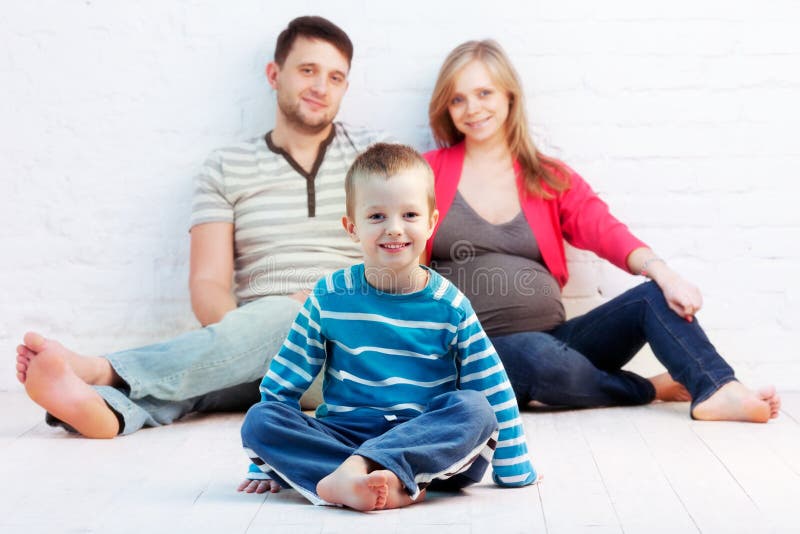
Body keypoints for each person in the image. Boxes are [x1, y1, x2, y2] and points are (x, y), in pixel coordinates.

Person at [14, 16, 387, 465]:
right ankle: (105, 413)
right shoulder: (225, 167)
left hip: (348, 354)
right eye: (308, 70)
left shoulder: (375, 156)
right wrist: (243, 345)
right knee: (212, 370)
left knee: (293, 312)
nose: (321, 86)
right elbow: (208, 284)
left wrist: (312, 308)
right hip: (264, 352)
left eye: (335, 77)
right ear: (275, 74)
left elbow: (401, 259)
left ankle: (105, 370)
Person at [423, 40, 781, 423]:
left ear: (510, 96)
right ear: (446, 108)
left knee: (650, 297)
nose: (473, 108)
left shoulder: (548, 175)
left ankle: (716, 387)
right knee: (535, 356)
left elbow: (603, 228)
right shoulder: (425, 171)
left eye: (483, 93)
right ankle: (649, 388)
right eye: (458, 99)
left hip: (558, 341)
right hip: (472, 352)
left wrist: (665, 273)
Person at [240, 143, 537, 512]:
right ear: (352, 227)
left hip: (427, 443)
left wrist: (514, 468)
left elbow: (492, 386)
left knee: (475, 409)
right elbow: (284, 382)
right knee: (260, 420)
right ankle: (388, 483)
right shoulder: (329, 297)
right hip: (345, 435)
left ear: (431, 222)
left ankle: (358, 471)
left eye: (410, 214)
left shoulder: (450, 306)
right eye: (377, 216)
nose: (394, 229)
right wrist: (265, 466)